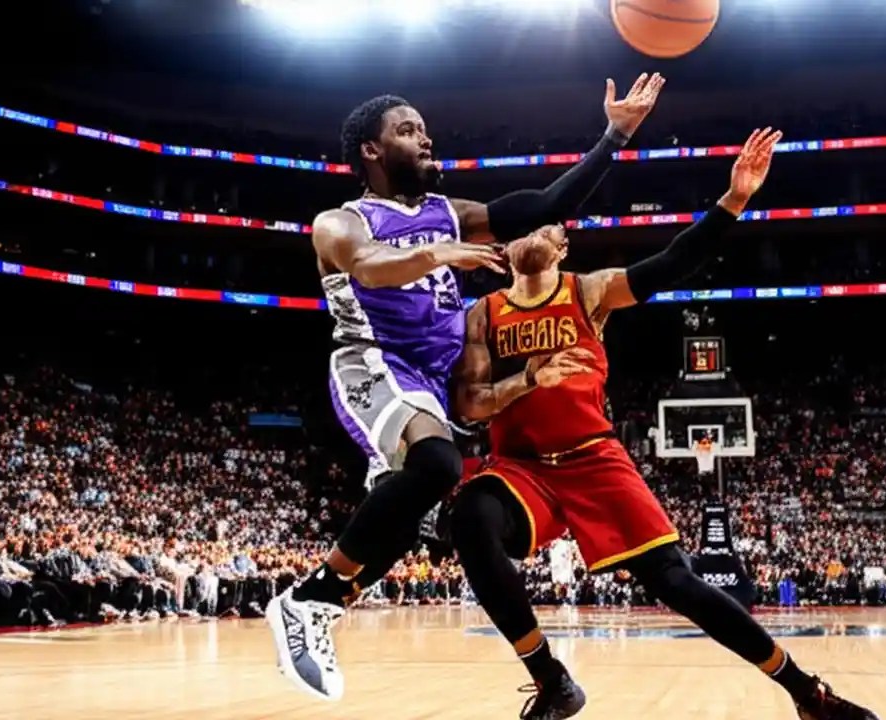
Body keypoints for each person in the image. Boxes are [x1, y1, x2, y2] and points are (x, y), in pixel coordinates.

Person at [449, 128, 880, 720]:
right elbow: (470, 405)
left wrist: (732, 201)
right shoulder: (482, 314)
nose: (531, 230)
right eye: (522, 224)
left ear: (561, 243)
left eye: (544, 225)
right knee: (469, 518)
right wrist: (529, 378)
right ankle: (552, 680)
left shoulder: (590, 292)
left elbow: (674, 261)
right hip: (523, 469)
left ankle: (806, 692)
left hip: (593, 458)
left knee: (677, 582)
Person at [266, 73, 667, 701]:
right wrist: (440, 255)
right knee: (435, 462)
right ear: (370, 150)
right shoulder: (340, 222)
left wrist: (614, 135)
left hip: (437, 380)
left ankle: (334, 592)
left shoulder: (446, 211)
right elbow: (369, 269)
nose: (425, 140)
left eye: (425, 129)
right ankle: (308, 601)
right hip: (376, 362)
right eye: (407, 131)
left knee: (410, 514)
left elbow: (541, 205)